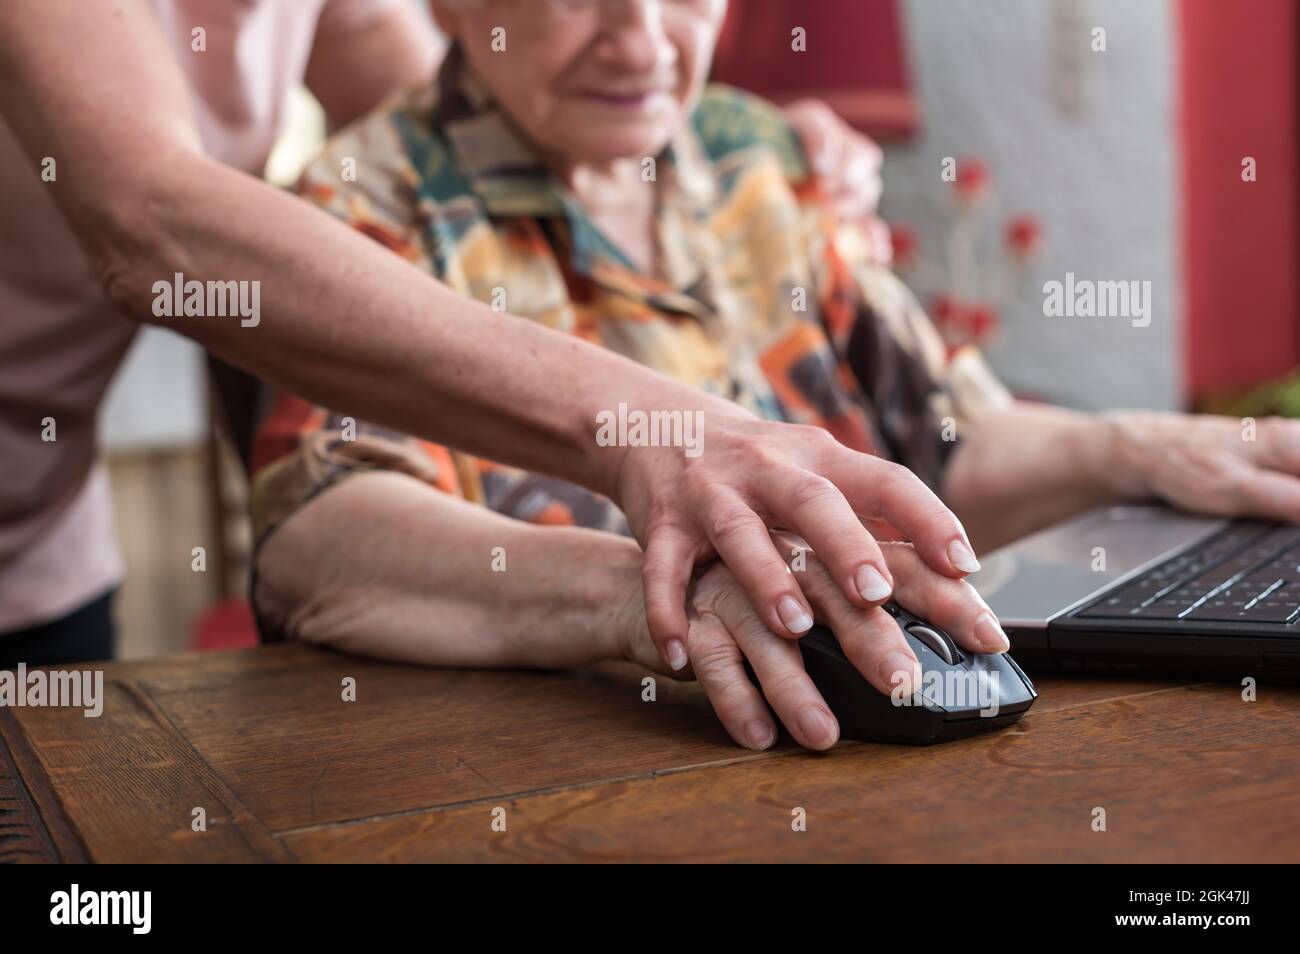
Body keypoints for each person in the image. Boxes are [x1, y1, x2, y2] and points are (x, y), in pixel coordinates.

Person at [249, 0, 1300, 751]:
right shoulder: (359, 207)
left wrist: (1138, 444)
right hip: (568, 771)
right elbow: (319, 539)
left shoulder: (758, 154)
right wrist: (656, 592)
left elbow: (937, 440)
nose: (643, 38)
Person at [0, 0, 961, 669]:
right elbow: (149, 224)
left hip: (39, 540)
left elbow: (474, 156)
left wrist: (696, 139)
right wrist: (653, 437)